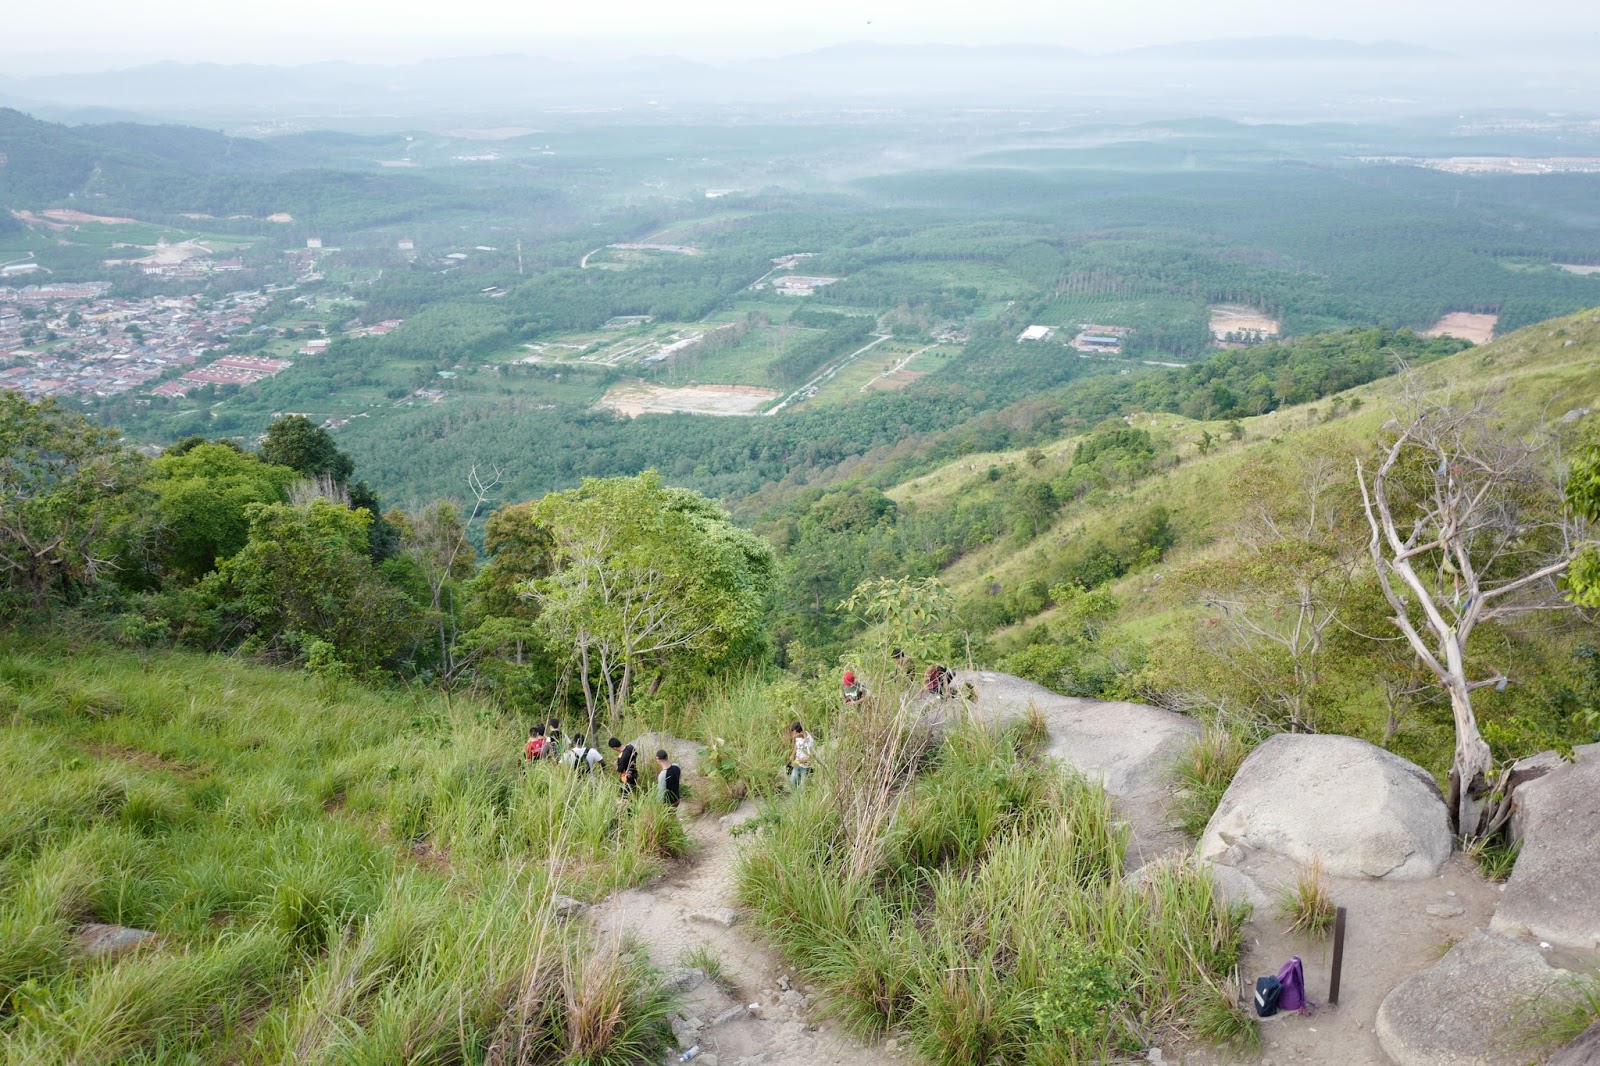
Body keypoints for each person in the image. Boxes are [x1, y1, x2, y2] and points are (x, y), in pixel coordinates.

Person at [788, 721, 814, 790]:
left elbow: (810, 757)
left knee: (802, 788)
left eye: (795, 734)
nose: (794, 736)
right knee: (792, 782)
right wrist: (792, 754)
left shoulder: (809, 741)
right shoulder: (798, 736)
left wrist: (798, 762)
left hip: (805, 767)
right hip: (797, 764)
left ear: (801, 732)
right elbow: (797, 745)